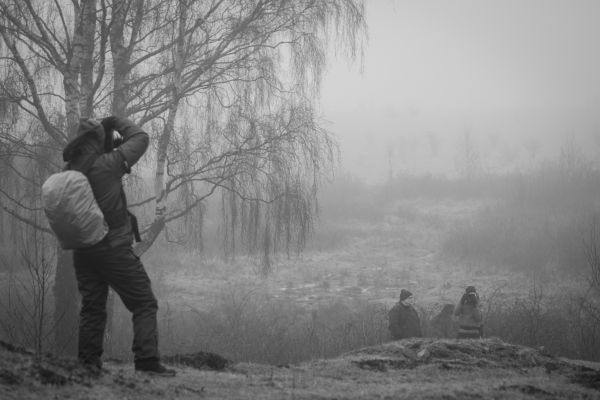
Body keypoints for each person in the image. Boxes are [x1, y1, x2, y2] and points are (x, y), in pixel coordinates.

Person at [63, 116, 175, 376]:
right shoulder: (107, 164)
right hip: (112, 248)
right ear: (98, 140)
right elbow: (141, 138)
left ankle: (88, 365)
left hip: (83, 250)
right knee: (144, 302)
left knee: (92, 307)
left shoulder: (68, 170)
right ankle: (147, 362)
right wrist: (114, 122)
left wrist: (105, 140)